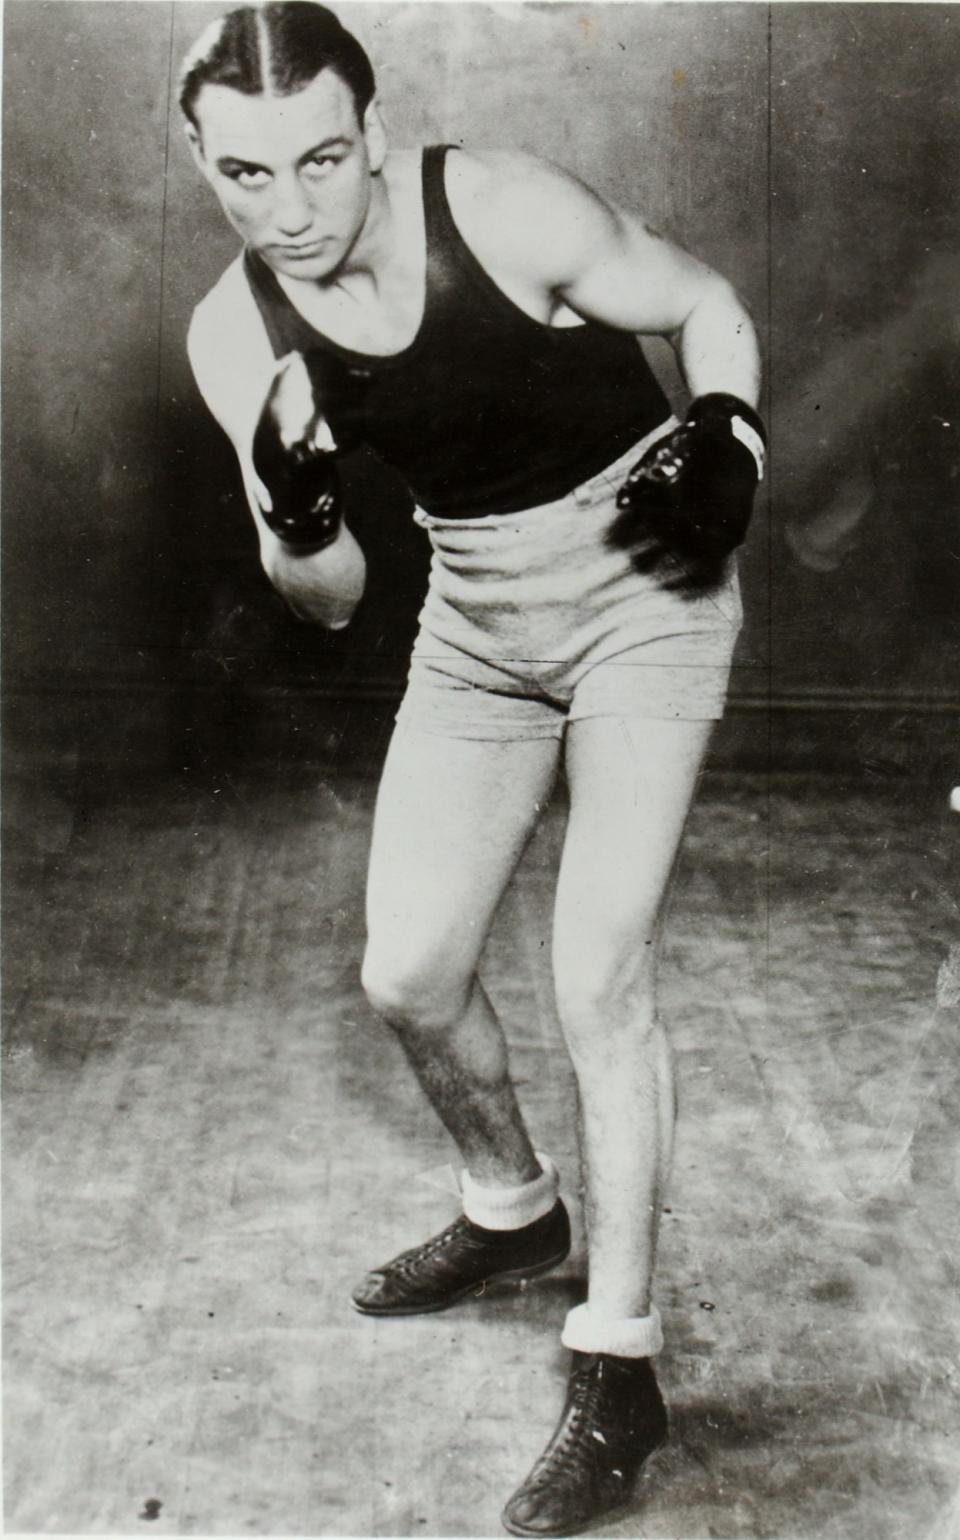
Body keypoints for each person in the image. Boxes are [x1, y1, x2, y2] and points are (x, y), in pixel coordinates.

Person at [181, 5, 765, 1534]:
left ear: (370, 134)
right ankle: (513, 1211)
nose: (291, 211)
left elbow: (705, 302)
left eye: (320, 159)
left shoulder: (503, 207)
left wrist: (733, 437)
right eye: (246, 175)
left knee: (595, 975)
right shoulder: (238, 331)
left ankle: (619, 1364)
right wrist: (299, 514)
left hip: (648, 583)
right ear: (202, 162)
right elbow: (332, 603)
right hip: (477, 618)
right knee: (411, 972)